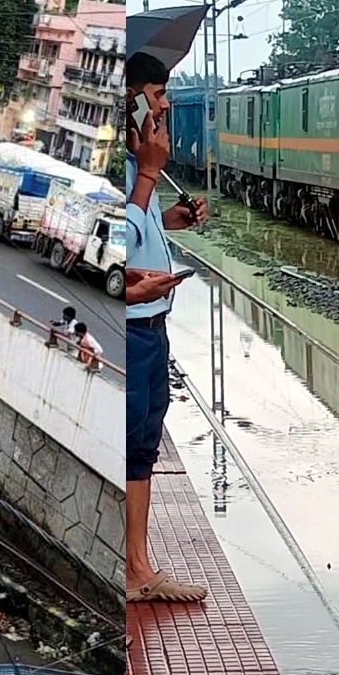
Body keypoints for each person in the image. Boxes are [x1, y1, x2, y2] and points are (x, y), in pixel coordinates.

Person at [124, 52, 209, 607]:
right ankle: (133, 570)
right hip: (133, 332)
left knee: (143, 449)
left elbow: (139, 232)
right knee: (130, 446)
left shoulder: (138, 170)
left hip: (153, 329)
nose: (165, 105)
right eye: (156, 95)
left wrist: (170, 218)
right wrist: (151, 171)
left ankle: (139, 565)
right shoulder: (131, 169)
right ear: (131, 100)